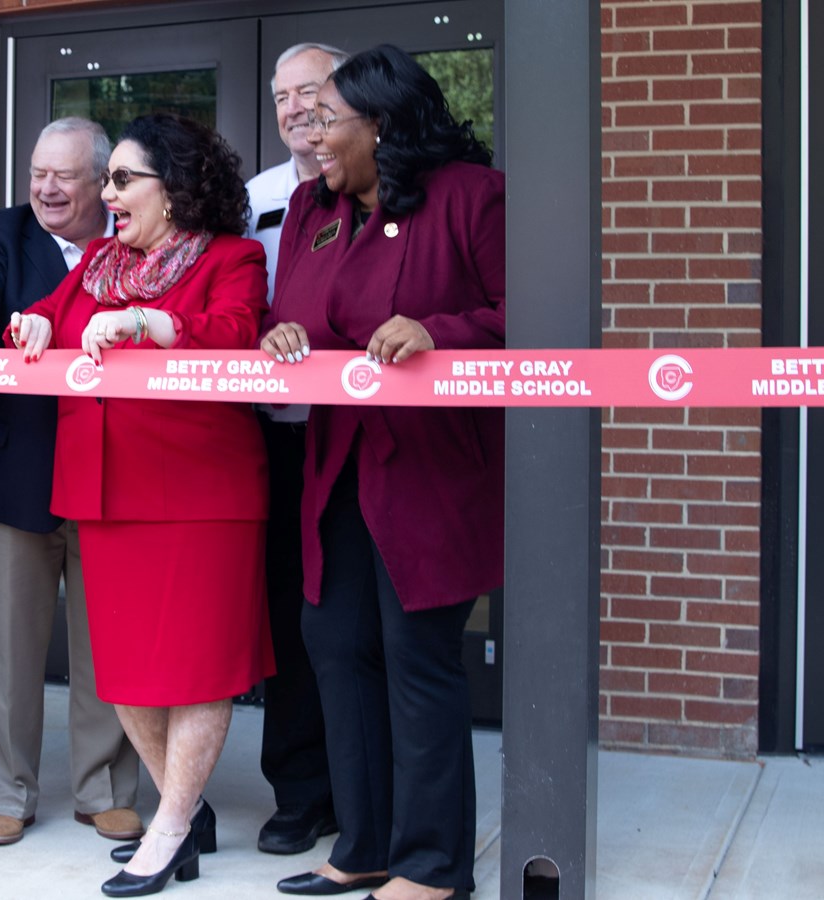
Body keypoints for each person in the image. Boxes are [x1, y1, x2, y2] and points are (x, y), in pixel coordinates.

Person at [260, 45, 504, 900]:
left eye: (328, 119)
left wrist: (442, 333)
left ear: (383, 124)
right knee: (335, 642)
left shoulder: (471, 196)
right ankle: (364, 845)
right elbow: (295, 311)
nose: (311, 135)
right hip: (338, 463)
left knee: (416, 655)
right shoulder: (312, 207)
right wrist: (278, 333)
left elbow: (523, 317)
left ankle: (432, 867)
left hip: (432, 470)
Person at [9, 113, 273, 897]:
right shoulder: (98, 261)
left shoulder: (233, 256)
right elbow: (51, 313)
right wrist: (31, 323)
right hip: (106, 491)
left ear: (176, 187)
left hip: (200, 494)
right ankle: (185, 813)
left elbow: (237, 333)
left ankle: (170, 828)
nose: (109, 195)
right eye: (109, 179)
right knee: (123, 675)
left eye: (123, 180)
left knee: (199, 671)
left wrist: (153, 322)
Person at [0, 117, 142, 848]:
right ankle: (5, 793)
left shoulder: (133, 238)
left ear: (102, 183)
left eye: (64, 176)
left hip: (111, 470)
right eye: (37, 174)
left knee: (106, 641)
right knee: (8, 647)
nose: (46, 189)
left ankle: (104, 790)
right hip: (15, 470)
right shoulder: (0, 232)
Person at [243, 41, 349, 857]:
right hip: (274, 437)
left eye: (308, 91)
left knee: (348, 619)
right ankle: (301, 793)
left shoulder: (382, 192)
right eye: (281, 97)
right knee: (288, 614)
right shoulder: (256, 199)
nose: (292, 109)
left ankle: (365, 791)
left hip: (353, 435)